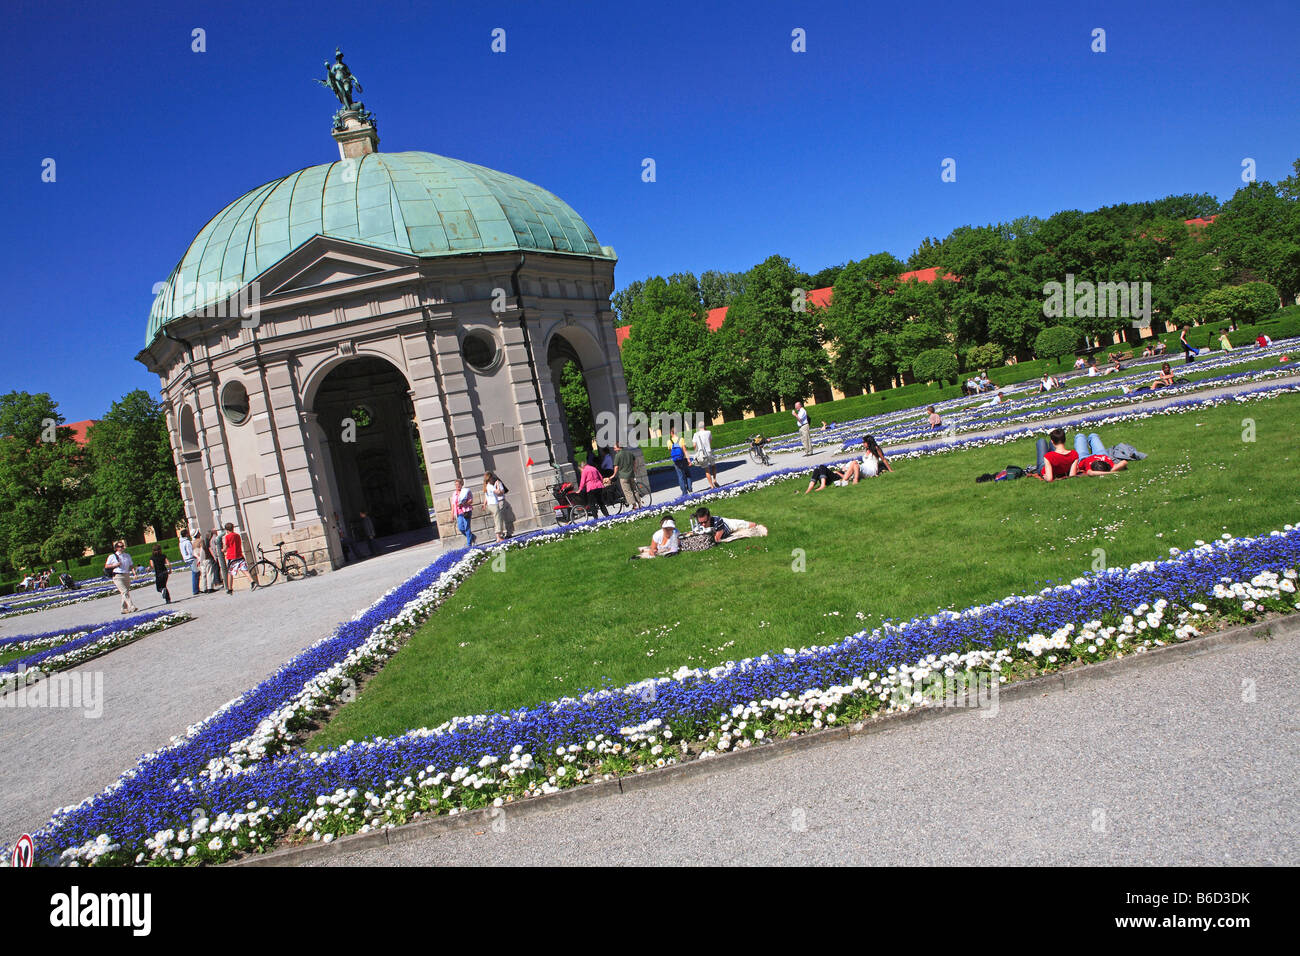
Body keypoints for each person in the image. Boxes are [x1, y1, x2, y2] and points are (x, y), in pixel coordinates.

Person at [104, 541, 139, 614]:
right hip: (117, 576)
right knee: (124, 591)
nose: (122, 548)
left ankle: (123, 608)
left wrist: (134, 573)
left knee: (125, 592)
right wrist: (115, 565)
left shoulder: (127, 555)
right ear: (116, 548)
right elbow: (106, 566)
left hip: (126, 574)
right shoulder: (112, 556)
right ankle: (131, 607)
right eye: (120, 546)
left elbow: (131, 565)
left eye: (123, 546)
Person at [223, 523, 257, 593]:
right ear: (233, 528)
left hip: (231, 557)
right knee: (244, 570)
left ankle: (230, 589)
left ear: (226, 530)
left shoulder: (227, 537)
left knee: (230, 573)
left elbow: (226, 547)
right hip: (239, 555)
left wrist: (223, 550)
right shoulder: (237, 535)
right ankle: (252, 582)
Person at [611, 441, 641, 509]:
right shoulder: (629, 453)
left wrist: (613, 475)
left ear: (619, 447)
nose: (614, 449)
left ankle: (634, 506)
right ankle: (640, 504)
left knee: (628, 491)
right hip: (631, 475)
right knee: (634, 490)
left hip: (623, 476)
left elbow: (616, 467)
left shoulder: (618, 455)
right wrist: (635, 469)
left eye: (615, 448)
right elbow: (634, 461)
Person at [482, 471, 508, 542]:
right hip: (494, 504)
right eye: (492, 478)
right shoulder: (490, 486)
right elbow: (499, 493)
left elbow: (486, 497)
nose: (493, 479)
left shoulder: (486, 486)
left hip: (490, 505)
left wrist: (484, 504)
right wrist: (498, 485)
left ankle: (498, 536)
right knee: (497, 520)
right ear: (489, 478)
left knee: (497, 519)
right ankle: (498, 537)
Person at [667, 425, 692, 496]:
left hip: (676, 461)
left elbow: (670, 451)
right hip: (683, 459)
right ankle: (689, 488)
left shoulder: (669, 441)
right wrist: (688, 460)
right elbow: (684, 450)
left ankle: (684, 492)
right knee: (687, 473)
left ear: (671, 433)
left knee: (680, 476)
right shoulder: (681, 439)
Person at [691, 423, 718, 490]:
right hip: (709, 451)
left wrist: (696, 450)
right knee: (713, 466)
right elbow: (710, 441)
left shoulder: (695, 434)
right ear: (704, 426)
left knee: (707, 469)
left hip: (702, 453)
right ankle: (714, 479)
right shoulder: (709, 432)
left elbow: (694, 445)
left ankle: (711, 486)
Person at [451, 479, 475, 547]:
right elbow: (453, 505)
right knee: (461, 528)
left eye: (458, 484)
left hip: (466, 511)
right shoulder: (454, 494)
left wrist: (463, 504)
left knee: (467, 527)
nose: (457, 486)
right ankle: (471, 537)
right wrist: (452, 514)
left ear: (462, 484)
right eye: (456, 485)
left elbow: (471, 501)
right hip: (458, 513)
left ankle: (469, 544)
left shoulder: (466, 491)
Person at [178, 528, 198, 595]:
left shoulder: (181, 542)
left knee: (194, 573)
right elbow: (190, 551)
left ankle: (196, 589)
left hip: (186, 559)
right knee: (195, 573)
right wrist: (195, 556)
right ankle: (195, 590)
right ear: (186, 534)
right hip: (191, 558)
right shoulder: (187, 542)